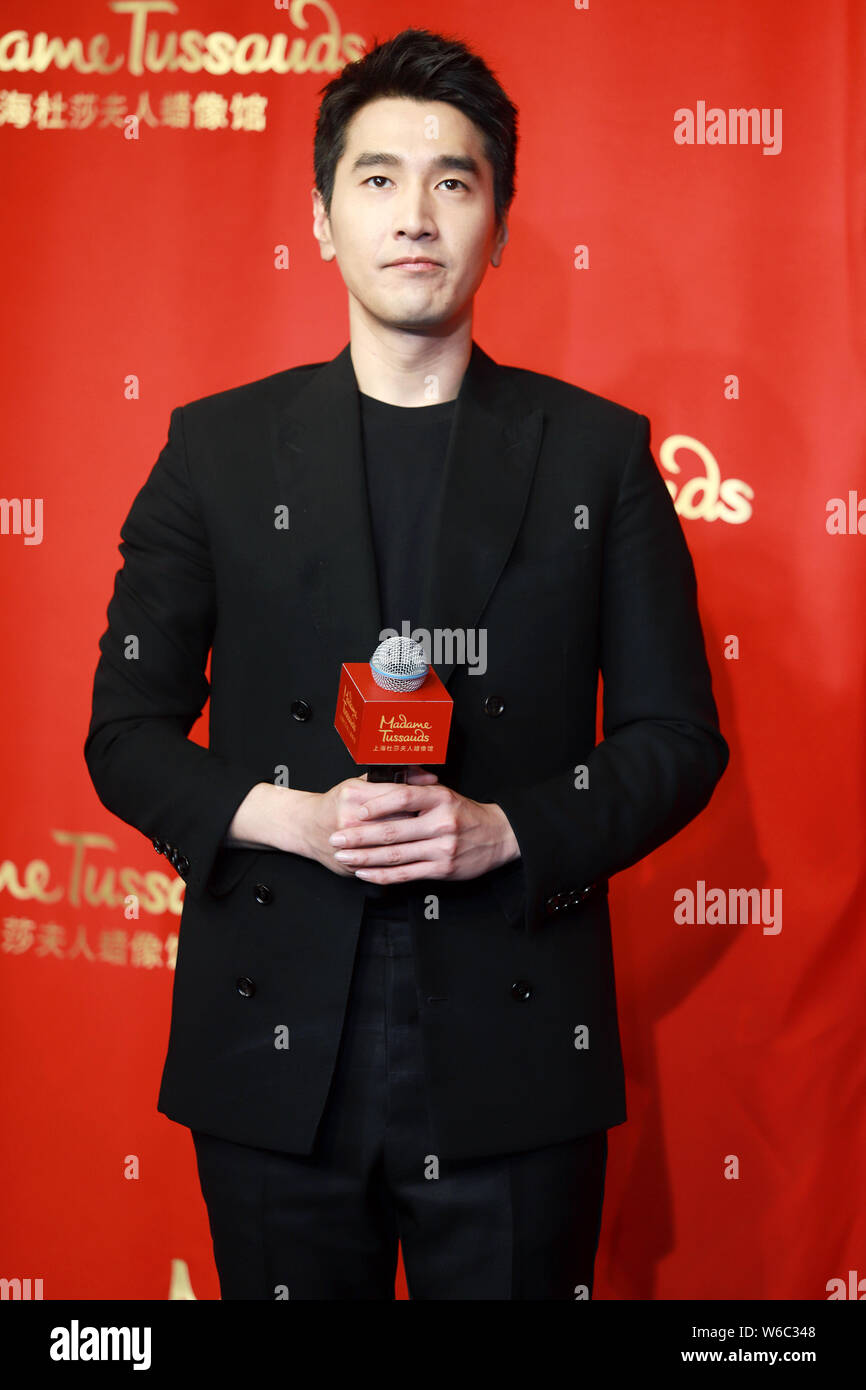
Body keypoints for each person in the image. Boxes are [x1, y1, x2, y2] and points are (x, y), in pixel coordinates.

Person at [84, 27, 729, 1300]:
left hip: (516, 1041)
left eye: (453, 180)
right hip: (273, 1051)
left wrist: (507, 829)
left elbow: (674, 737)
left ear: (498, 218)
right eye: (375, 179)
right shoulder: (214, 454)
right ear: (320, 219)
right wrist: (294, 820)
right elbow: (126, 733)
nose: (414, 214)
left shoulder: (595, 456)